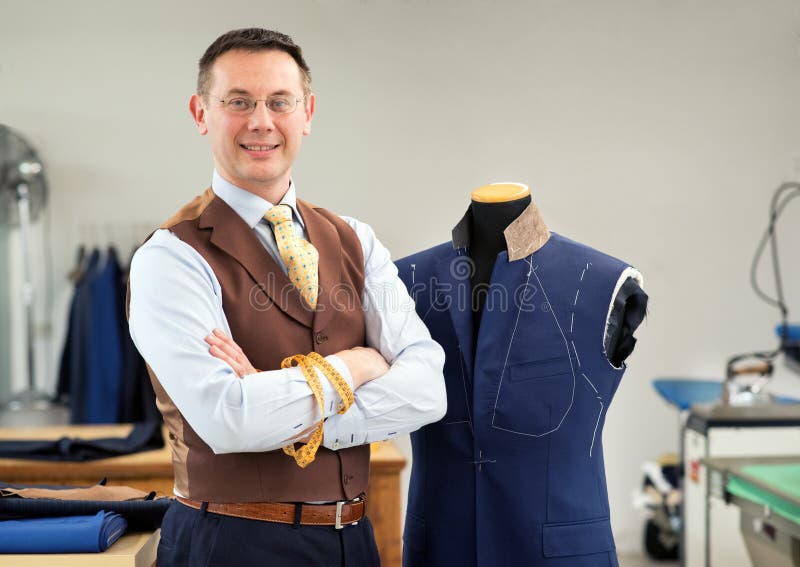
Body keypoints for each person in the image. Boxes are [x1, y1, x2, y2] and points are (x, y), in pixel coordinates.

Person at [127, 27, 446, 567]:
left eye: (280, 102)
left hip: (354, 542)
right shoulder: (169, 258)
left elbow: (427, 391)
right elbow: (229, 420)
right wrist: (355, 364)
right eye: (238, 102)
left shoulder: (356, 240)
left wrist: (286, 411)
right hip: (229, 544)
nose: (261, 121)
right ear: (200, 113)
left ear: (308, 113)